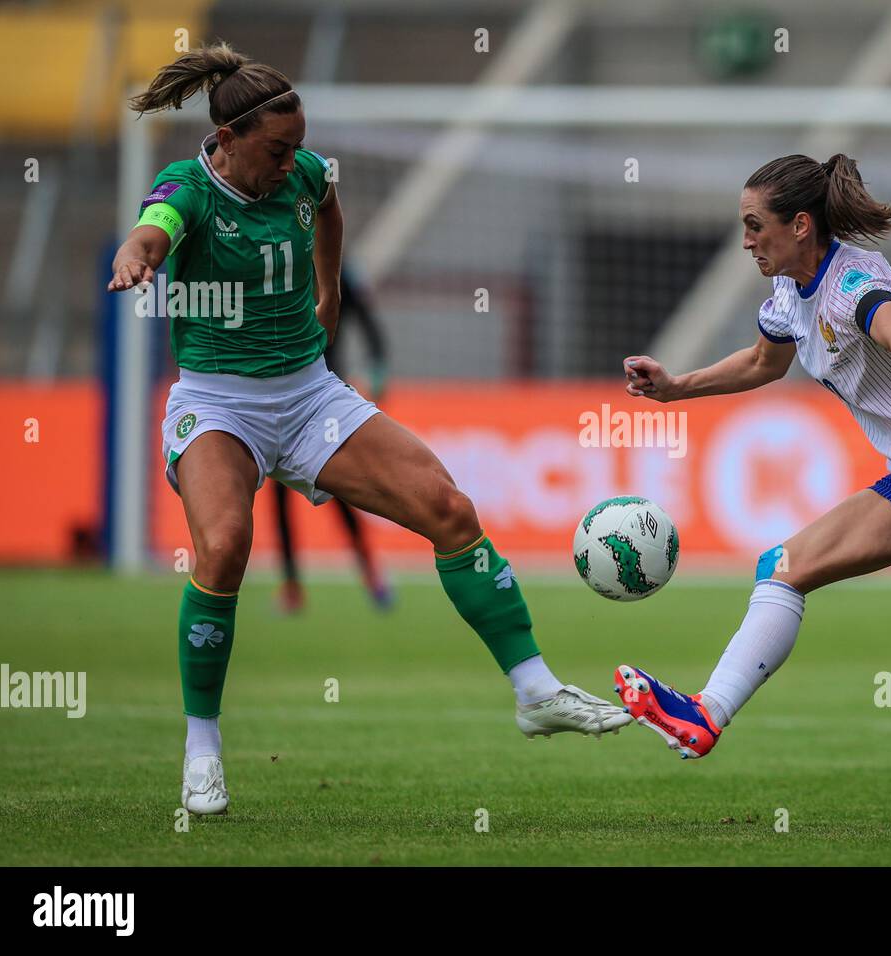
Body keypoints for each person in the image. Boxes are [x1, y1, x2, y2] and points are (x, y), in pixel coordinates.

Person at [107, 42, 628, 816]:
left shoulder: (308, 174)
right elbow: (153, 229)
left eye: (298, 145)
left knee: (449, 509)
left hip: (312, 394)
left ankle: (535, 690)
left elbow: (330, 210)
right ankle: (203, 746)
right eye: (277, 149)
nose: (293, 162)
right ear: (227, 140)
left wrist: (328, 290)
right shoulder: (190, 189)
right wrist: (137, 256)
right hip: (219, 401)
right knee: (222, 547)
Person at [615, 153, 891, 838]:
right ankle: (704, 717)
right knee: (783, 567)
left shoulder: (852, 279)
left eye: (754, 226)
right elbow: (762, 361)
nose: (746, 241)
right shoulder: (788, 295)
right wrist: (677, 386)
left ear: (800, 225)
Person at [272, 265, 391, 614]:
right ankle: (292, 587)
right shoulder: (280, 263)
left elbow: (371, 328)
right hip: (282, 399)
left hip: (324, 399)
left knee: (339, 488)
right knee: (280, 497)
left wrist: (378, 370)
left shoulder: (340, 271)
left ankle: (371, 573)